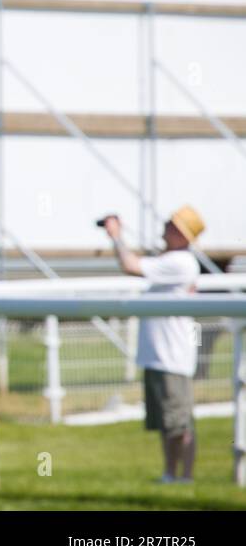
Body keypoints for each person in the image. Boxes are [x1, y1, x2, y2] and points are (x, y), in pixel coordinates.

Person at [102, 205, 204, 483]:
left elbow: (130, 265)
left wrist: (116, 236)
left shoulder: (180, 262)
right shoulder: (171, 260)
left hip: (172, 357)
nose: (165, 227)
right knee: (167, 423)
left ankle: (185, 477)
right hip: (159, 356)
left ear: (183, 235)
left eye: (172, 225)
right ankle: (171, 474)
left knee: (179, 423)